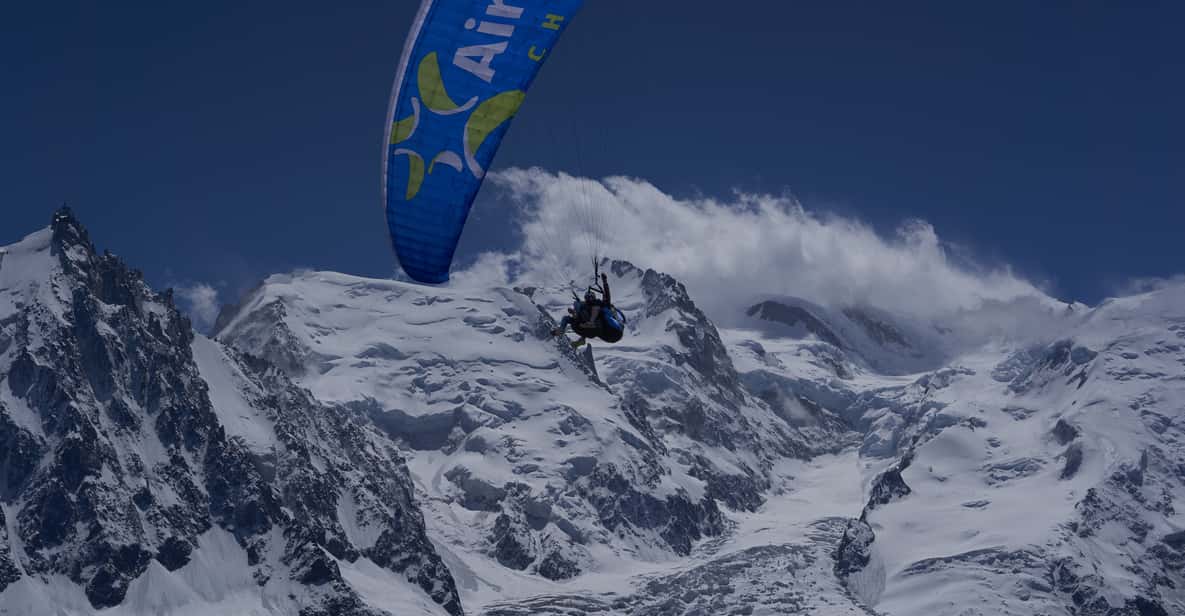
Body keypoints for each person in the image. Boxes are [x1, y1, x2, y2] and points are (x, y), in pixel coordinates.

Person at [552, 273, 613, 347]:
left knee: (582, 314)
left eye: (590, 297)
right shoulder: (584, 306)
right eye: (588, 297)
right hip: (586, 327)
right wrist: (574, 313)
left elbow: (607, 296)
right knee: (567, 318)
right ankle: (564, 332)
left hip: (595, 325)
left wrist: (605, 282)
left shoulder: (598, 305)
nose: (589, 299)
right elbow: (580, 317)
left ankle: (581, 337)